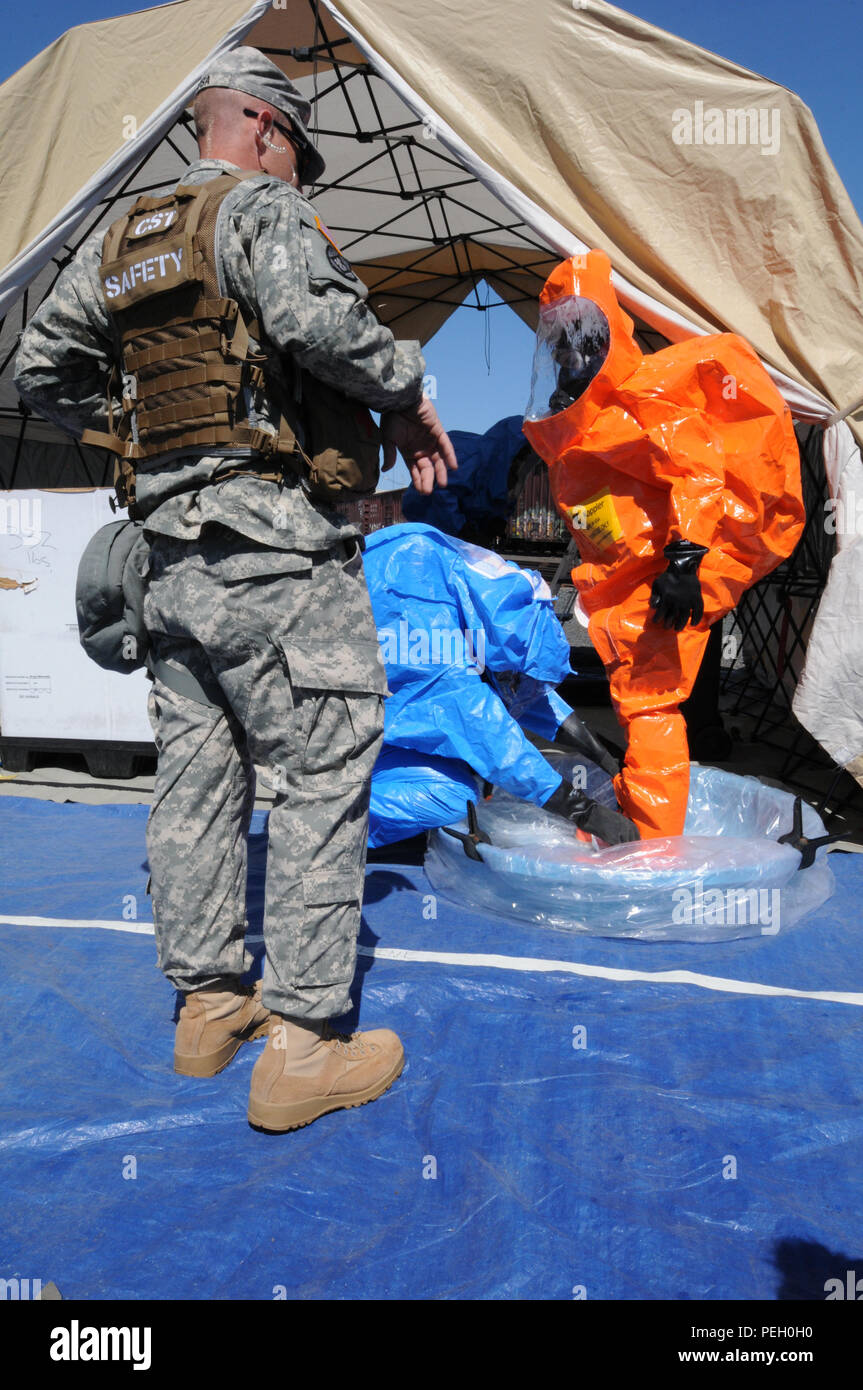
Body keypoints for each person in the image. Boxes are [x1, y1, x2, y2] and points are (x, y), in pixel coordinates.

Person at [14, 47, 456, 1134]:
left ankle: (208, 1008)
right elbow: (318, 326)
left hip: (167, 558)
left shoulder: (121, 239)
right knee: (322, 759)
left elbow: (38, 366)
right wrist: (406, 395)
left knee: (200, 770)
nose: (298, 168)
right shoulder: (261, 210)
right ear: (261, 125)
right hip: (269, 548)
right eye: (297, 148)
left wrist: (140, 435)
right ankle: (305, 1042)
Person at [523, 250, 805, 839]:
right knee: (638, 699)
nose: (567, 353)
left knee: (650, 702)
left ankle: (650, 842)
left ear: (606, 334)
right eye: (559, 338)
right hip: (635, 576)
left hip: (659, 577)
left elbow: (698, 467)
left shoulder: (641, 395)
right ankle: (639, 813)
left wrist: (684, 560)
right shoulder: (595, 411)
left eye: (580, 335)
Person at [362, 522, 636, 847]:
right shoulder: (425, 618)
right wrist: (585, 812)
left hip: (364, 724)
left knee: (458, 790)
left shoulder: (480, 597)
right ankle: (315, 822)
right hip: (321, 736)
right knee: (451, 796)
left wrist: (597, 750)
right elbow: (489, 735)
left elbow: (519, 688)